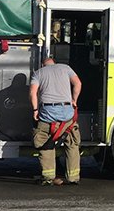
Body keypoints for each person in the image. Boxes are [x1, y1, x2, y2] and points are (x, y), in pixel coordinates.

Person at [30, 57, 82, 186]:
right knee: (72, 143)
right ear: (54, 62)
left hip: (48, 113)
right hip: (67, 114)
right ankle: (73, 177)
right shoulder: (66, 68)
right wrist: (74, 100)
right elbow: (78, 83)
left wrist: (35, 109)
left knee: (45, 143)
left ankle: (48, 177)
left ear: (43, 65)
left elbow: (32, 92)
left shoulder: (38, 73)